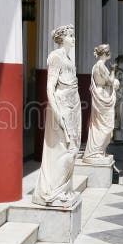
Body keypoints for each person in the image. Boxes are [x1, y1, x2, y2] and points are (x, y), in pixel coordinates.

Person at [33, 25, 81, 206]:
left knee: (73, 148)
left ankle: (64, 188)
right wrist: (56, 111)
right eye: (70, 35)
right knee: (66, 149)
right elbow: (49, 87)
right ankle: (55, 190)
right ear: (61, 38)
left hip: (73, 106)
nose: (73, 38)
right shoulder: (55, 57)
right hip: (62, 106)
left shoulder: (68, 58)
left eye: (72, 35)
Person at [82, 44, 118, 163]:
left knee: (102, 125)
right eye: (109, 51)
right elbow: (110, 81)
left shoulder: (99, 65)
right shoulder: (100, 66)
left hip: (102, 94)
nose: (110, 53)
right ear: (105, 53)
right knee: (104, 125)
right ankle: (95, 151)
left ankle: (99, 150)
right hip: (102, 95)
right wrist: (113, 70)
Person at [112, 54, 123, 142]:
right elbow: (116, 86)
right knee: (121, 116)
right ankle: (120, 135)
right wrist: (117, 98)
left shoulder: (122, 72)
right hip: (121, 98)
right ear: (122, 62)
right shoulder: (118, 72)